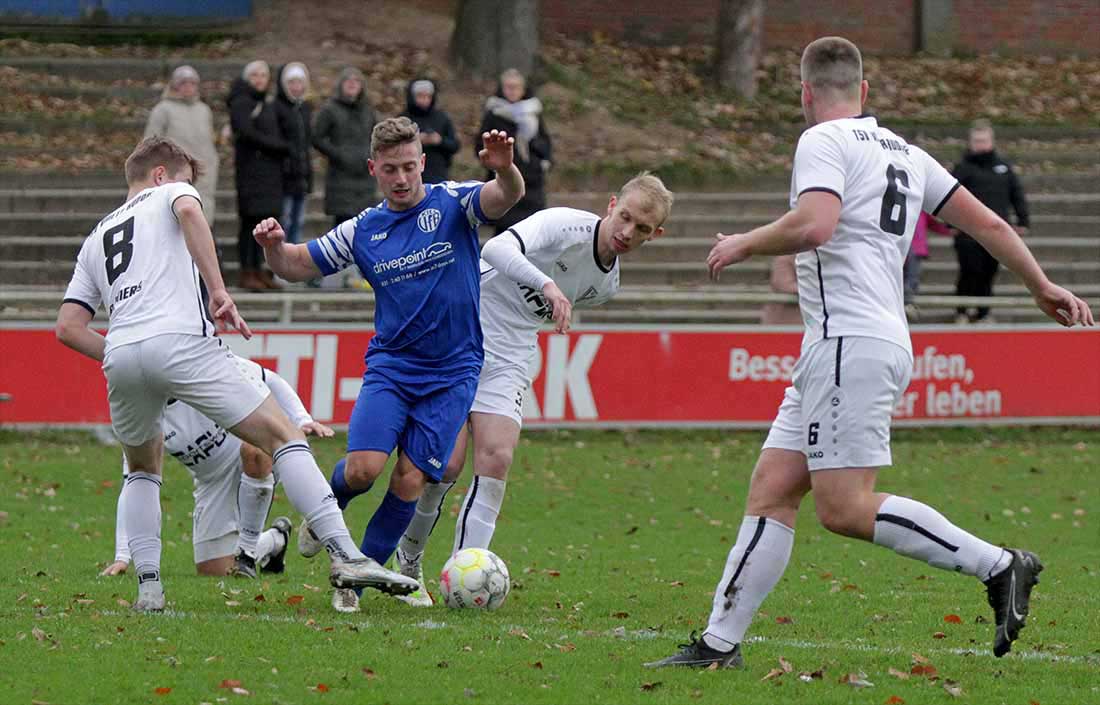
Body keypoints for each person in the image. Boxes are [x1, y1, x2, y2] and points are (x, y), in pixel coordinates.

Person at [646, 37, 1093, 670]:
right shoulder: (906, 153)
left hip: (847, 341)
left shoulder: (821, 142)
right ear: (865, 92)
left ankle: (1000, 565)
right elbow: (990, 224)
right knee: (774, 489)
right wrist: (1041, 286)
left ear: (805, 94)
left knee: (845, 507)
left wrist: (744, 242)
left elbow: (815, 224)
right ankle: (718, 645)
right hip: (862, 339)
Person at [56, 136, 417, 611]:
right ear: (162, 174)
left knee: (143, 470)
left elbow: (67, 326)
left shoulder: (96, 237)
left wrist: (123, 353)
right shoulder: (170, 193)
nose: (190, 188)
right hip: (181, 339)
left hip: (121, 354)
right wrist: (219, 290)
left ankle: (149, 588)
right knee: (284, 435)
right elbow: (188, 213)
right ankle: (346, 554)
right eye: (186, 178)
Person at [253, 117, 524, 614]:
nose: (402, 178)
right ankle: (325, 508)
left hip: (453, 374)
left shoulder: (453, 203)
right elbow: (295, 264)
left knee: (409, 480)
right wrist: (273, 246)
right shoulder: (364, 229)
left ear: (422, 163)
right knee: (361, 471)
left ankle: (351, 581)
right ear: (374, 169)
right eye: (390, 170)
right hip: (393, 369)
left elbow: (502, 198)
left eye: (409, 167)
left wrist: (506, 171)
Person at [391, 173, 673, 608]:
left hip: (511, 356)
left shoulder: (607, 285)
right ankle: (408, 558)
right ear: (612, 204)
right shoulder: (563, 225)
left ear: (656, 236)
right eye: (625, 217)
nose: (626, 232)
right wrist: (546, 283)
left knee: (497, 459)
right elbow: (495, 248)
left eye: (641, 229)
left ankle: (462, 581)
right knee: (445, 467)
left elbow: (534, 315)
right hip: (463, 329)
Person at [100, 355, 333, 579]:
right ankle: (275, 539)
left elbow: (269, 378)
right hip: (211, 481)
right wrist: (122, 555)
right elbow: (134, 484)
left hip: (254, 451)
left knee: (254, 450)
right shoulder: (141, 414)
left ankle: (248, 553)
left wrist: (302, 419)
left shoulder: (203, 367)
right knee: (214, 570)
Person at [951, 121, 1030, 324]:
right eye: (977, 141)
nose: (981, 145)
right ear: (970, 143)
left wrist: (1023, 220)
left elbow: (1017, 194)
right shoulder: (962, 168)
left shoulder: (1004, 168)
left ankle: (983, 312)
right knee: (969, 270)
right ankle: (961, 310)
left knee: (989, 271)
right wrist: (950, 225)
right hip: (968, 233)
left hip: (996, 232)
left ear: (992, 141)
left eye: (984, 140)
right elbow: (947, 196)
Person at [228, 60, 287, 291]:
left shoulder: (268, 103)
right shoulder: (242, 102)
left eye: (263, 75)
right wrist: (278, 146)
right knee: (249, 223)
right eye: (254, 75)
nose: (260, 79)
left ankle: (260, 269)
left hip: (269, 174)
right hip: (250, 173)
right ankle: (248, 270)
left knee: (264, 223)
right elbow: (247, 133)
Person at [476, 68, 552, 233]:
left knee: (532, 231)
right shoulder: (494, 113)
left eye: (516, 87)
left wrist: (541, 162)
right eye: (508, 87)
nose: (512, 91)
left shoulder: (533, 113)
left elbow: (545, 142)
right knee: (505, 230)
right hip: (504, 178)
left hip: (532, 181)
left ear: (523, 89)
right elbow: (479, 144)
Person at [144, 65, 219, 226]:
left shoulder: (204, 110)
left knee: (204, 208)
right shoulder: (163, 110)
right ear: (175, 85)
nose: (188, 87)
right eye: (183, 83)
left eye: (192, 83)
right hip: (175, 170)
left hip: (204, 169)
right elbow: (150, 142)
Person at [313, 67, 378, 229]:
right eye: (348, 81)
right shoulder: (330, 109)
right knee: (343, 230)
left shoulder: (368, 111)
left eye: (356, 81)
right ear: (341, 85)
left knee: (365, 227)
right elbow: (316, 137)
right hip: (340, 179)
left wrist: (372, 156)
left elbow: (377, 136)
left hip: (365, 178)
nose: (352, 84)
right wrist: (338, 155)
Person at [274, 62, 314, 246]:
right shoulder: (277, 107)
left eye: (299, 83)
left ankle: (293, 262)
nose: (296, 87)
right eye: (292, 83)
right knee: (285, 221)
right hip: (284, 174)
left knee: (298, 221)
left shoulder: (305, 108)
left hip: (302, 173)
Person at [401, 77, 461, 184]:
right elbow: (394, 145)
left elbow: (455, 145)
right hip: (409, 175)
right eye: (420, 96)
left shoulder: (442, 118)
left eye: (428, 96)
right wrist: (415, 141)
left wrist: (439, 141)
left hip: (438, 174)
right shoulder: (403, 119)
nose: (424, 100)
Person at [903, 212, 951, 321]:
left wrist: (948, 231)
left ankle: (908, 303)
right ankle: (906, 302)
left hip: (916, 248)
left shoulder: (921, 209)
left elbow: (933, 223)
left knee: (912, 277)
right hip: (905, 247)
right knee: (907, 277)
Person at [760, 255, 802, 325]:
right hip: (784, 319)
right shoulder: (784, 258)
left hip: (807, 321)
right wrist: (814, 289)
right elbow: (784, 285)